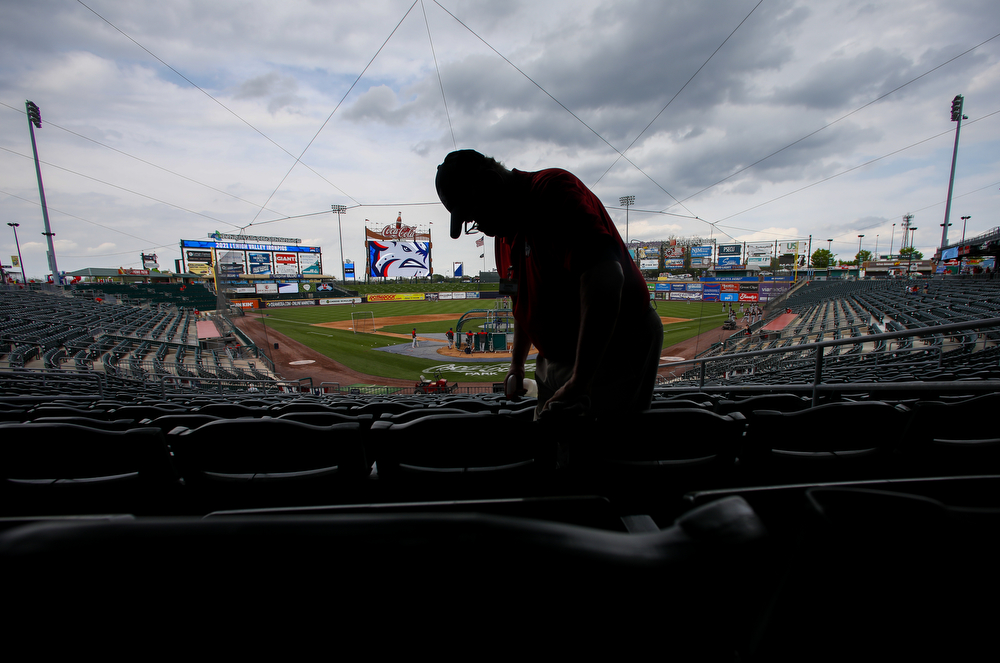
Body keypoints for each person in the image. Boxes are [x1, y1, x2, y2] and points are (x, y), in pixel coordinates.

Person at [435, 149, 663, 420]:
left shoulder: (552, 192)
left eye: (475, 214)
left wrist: (581, 381)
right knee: (549, 448)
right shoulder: (504, 236)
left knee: (596, 455)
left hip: (611, 351)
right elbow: (521, 303)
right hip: (552, 360)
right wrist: (517, 364)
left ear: (492, 184)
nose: (480, 226)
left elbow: (605, 278)